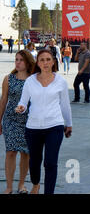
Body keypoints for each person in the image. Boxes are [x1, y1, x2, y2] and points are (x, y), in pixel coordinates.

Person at [16, 49, 72, 194]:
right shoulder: (30, 81)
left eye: (48, 59)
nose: (45, 62)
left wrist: (69, 124)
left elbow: (65, 105)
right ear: (38, 63)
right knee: (34, 162)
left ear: (53, 62)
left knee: (50, 163)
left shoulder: (61, 82)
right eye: (42, 60)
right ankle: (35, 183)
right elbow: (23, 101)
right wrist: (21, 107)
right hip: (33, 127)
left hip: (55, 125)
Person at [0, 50, 35, 194]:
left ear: (27, 62)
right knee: (10, 152)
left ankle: (21, 185)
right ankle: (9, 187)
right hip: (11, 119)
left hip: (29, 121)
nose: (18, 62)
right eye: (16, 59)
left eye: (21, 60)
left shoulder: (34, 79)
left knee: (26, 153)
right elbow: (3, 101)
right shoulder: (9, 78)